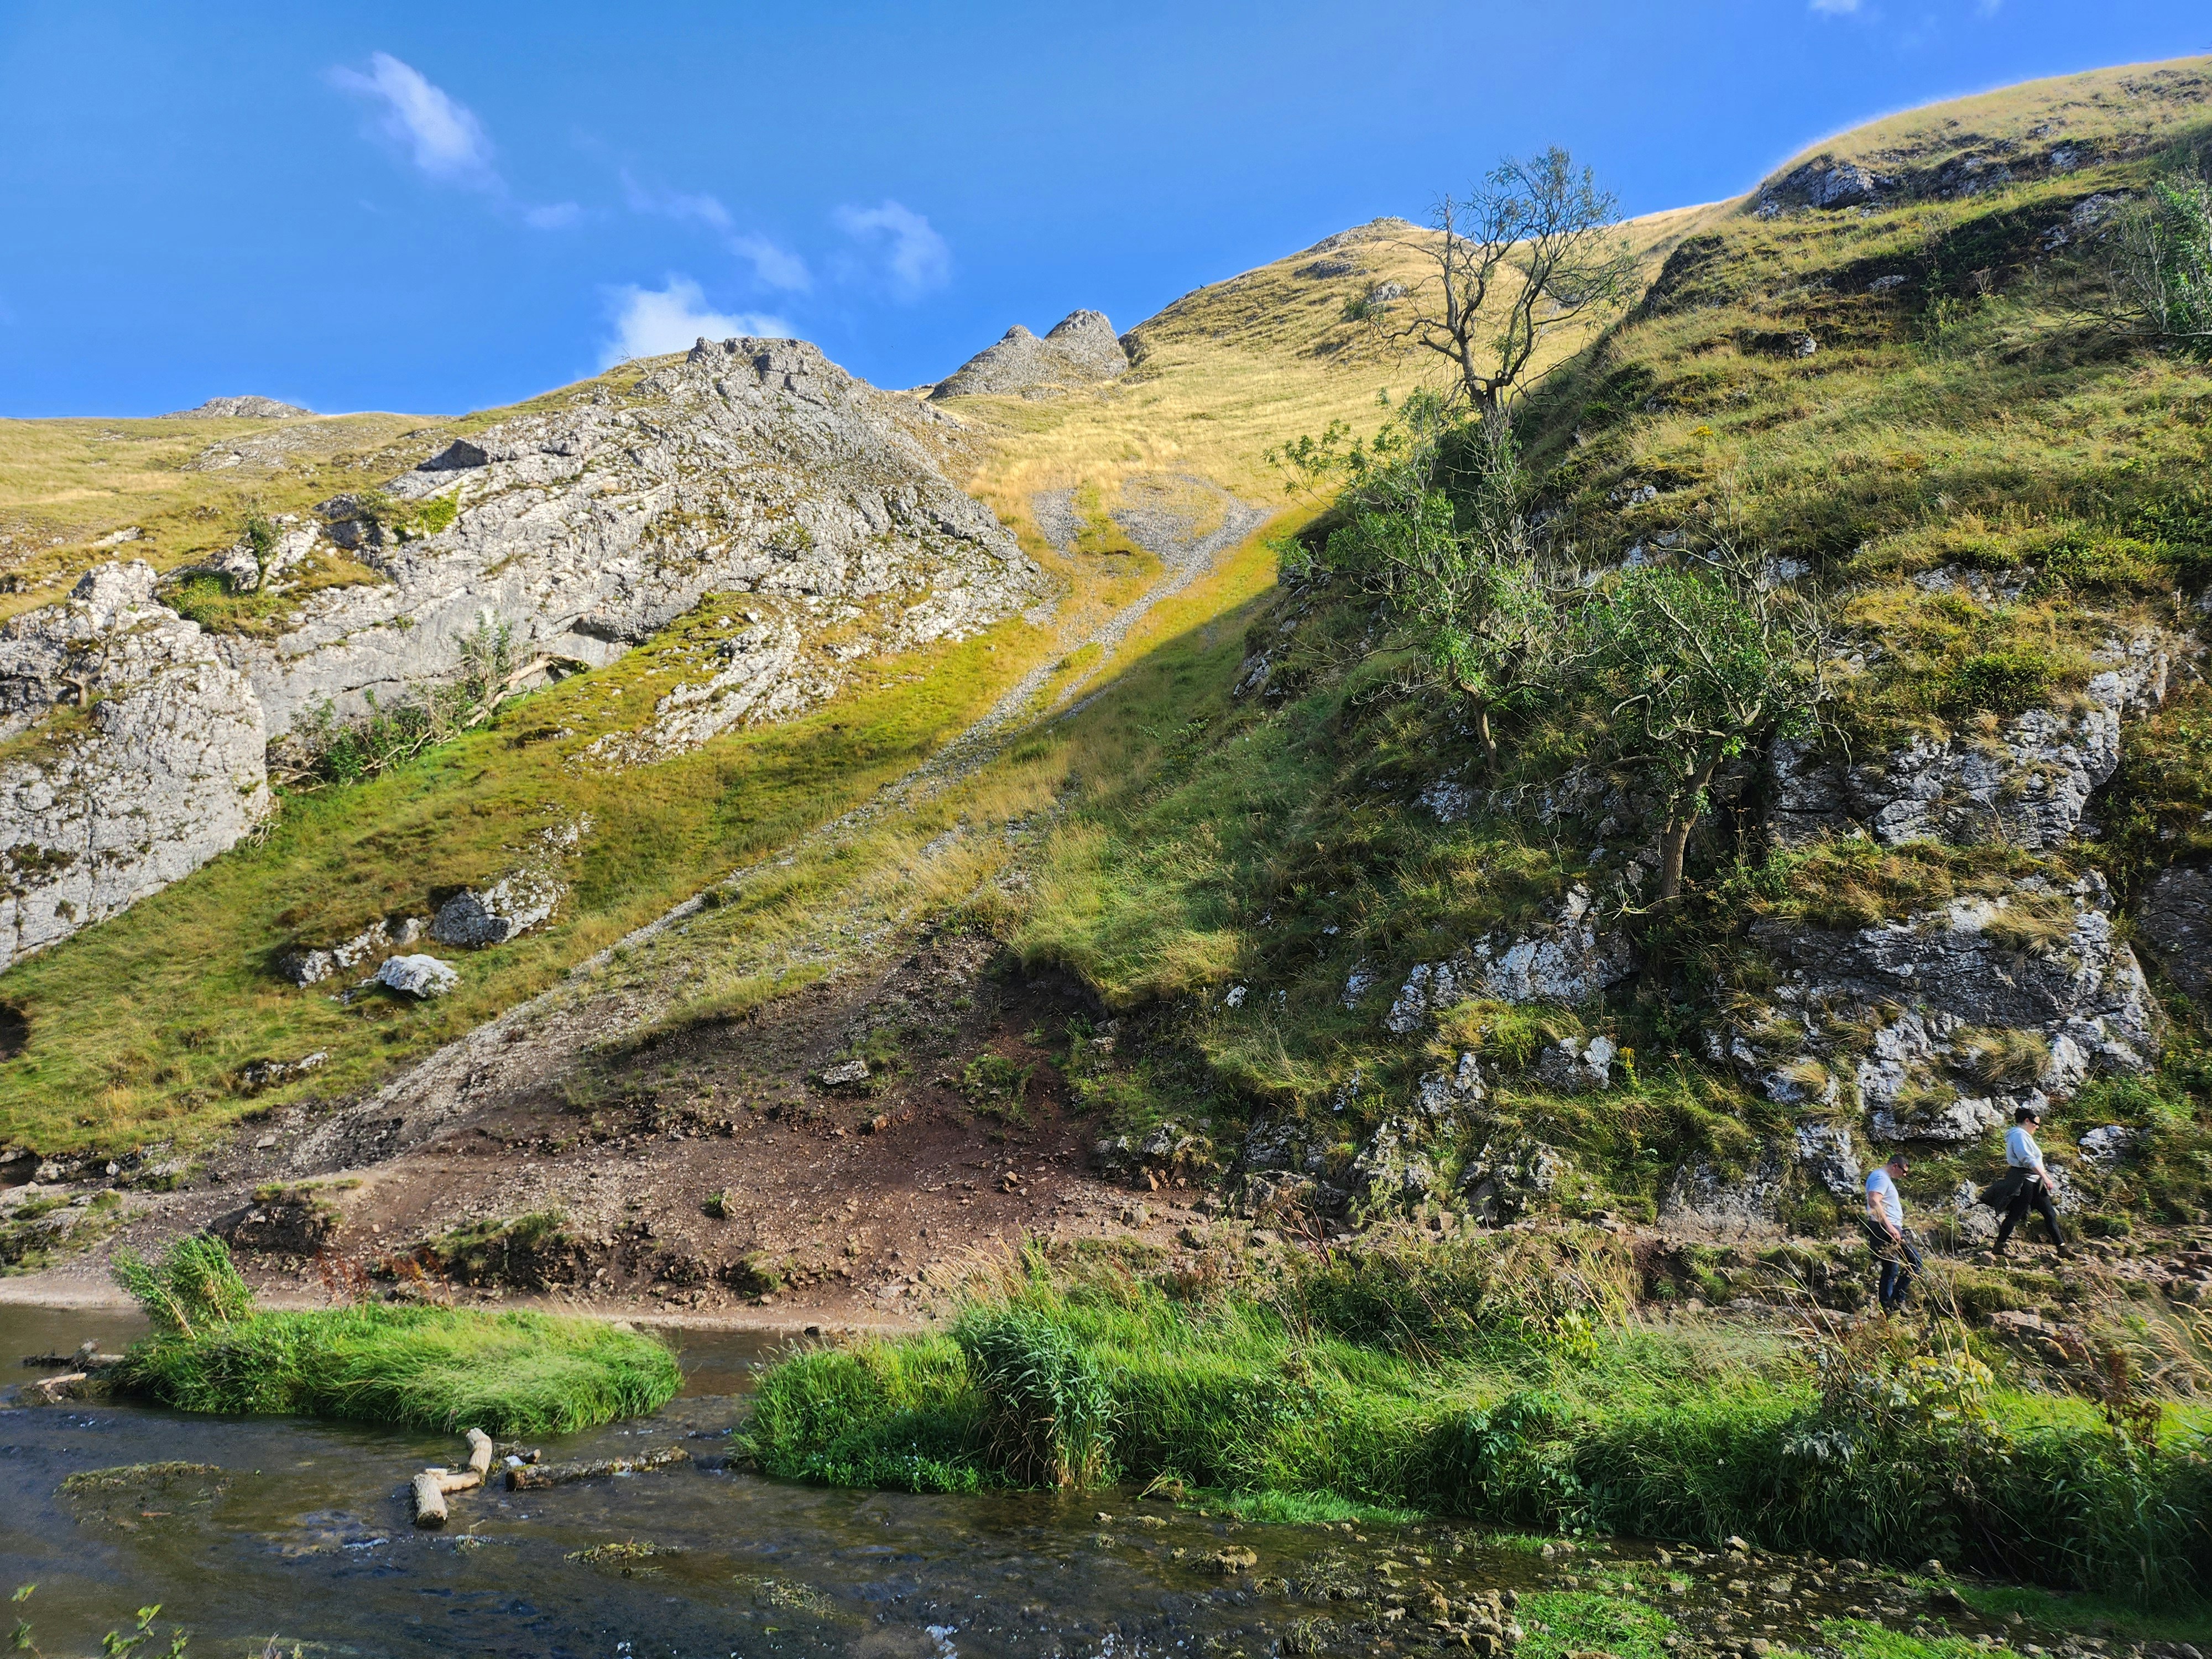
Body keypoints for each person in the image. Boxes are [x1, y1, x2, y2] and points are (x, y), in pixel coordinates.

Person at [1984, 1103, 2070, 1258]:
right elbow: (2027, 1159)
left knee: (2049, 1213)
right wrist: (2046, 1177)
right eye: (2036, 1124)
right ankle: (1999, 1246)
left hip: (2034, 1181)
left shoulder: (2023, 1136)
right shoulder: (2019, 1135)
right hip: (2026, 1181)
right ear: (2027, 1121)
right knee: (2016, 1214)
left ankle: (2062, 1248)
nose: (2037, 1127)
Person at [1863, 1152, 1923, 1314]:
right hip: (1885, 1228)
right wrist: (1890, 1226)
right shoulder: (1881, 1177)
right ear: (1895, 1166)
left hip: (1884, 1227)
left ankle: (1888, 1307)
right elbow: (1874, 1199)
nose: (1904, 1175)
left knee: (1891, 1268)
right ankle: (1896, 1300)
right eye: (1903, 1171)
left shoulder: (1881, 1177)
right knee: (1915, 1262)